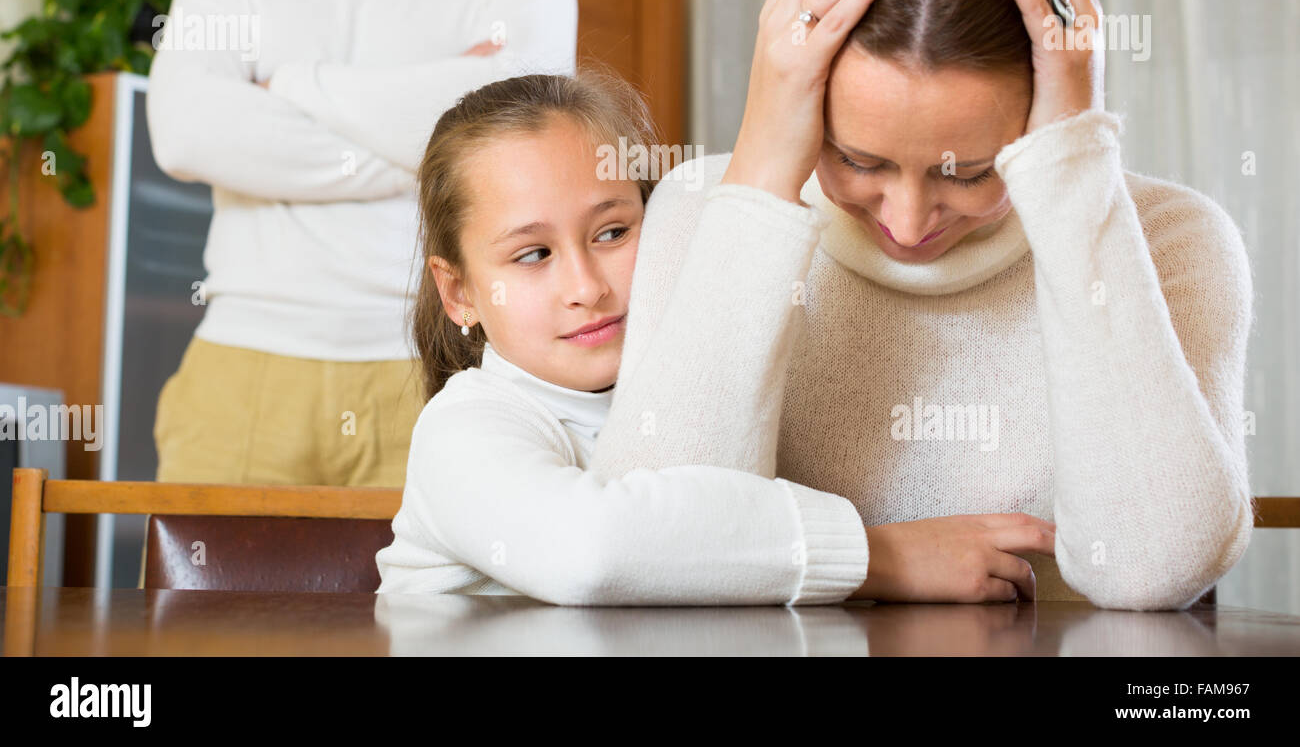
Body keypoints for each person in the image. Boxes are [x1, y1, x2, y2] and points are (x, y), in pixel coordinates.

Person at [589, 0, 1254, 611]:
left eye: (968, 173)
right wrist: (764, 162)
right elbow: (650, 548)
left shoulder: (1171, 238)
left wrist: (1075, 171)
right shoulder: (709, 213)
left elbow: (1154, 569)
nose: (907, 224)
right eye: (859, 161)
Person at [376, 69, 1000, 603]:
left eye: (613, 232)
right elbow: (591, 553)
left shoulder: (694, 388)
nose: (587, 286)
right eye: (534, 254)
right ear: (459, 293)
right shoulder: (462, 428)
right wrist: (879, 557)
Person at [146, 0, 578, 491]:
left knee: (430, 617)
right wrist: (437, 132)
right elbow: (184, 133)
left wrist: (294, 85)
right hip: (244, 364)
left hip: (437, 369)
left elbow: (516, 155)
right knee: (200, 613)